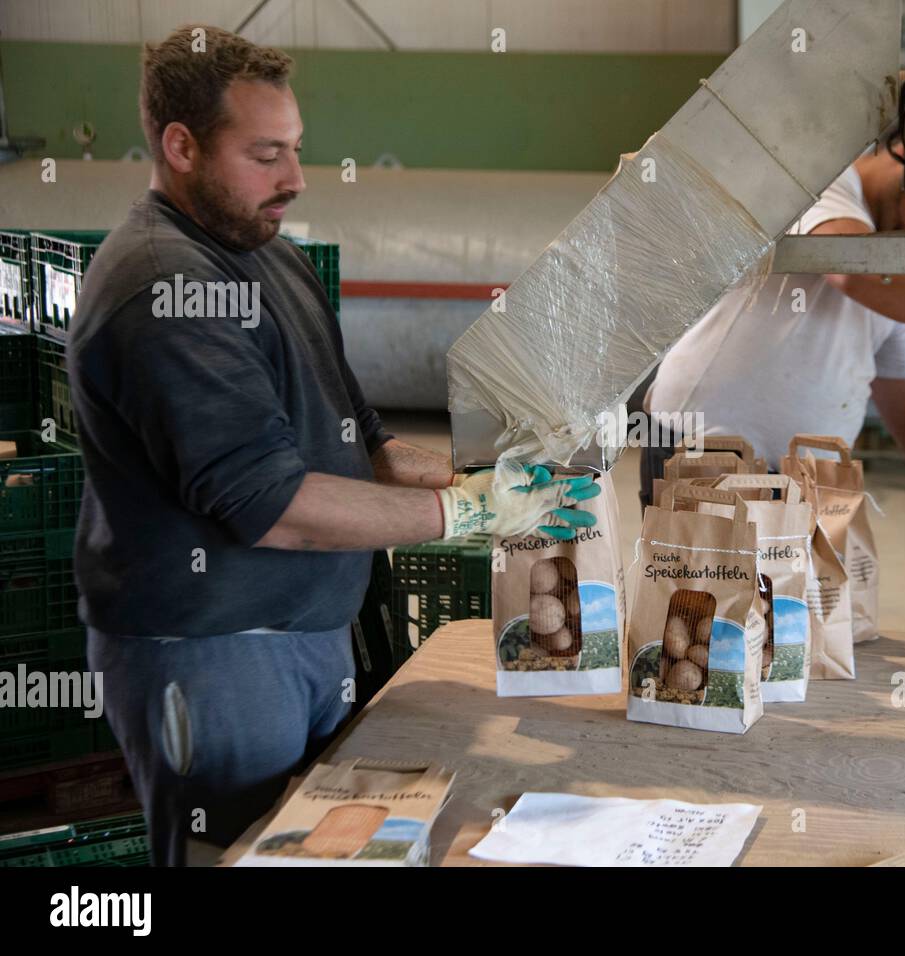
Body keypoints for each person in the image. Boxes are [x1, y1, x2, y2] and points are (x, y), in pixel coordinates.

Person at [68, 25, 595, 866]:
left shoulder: (269, 257)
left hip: (310, 638)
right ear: (181, 146)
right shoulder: (166, 287)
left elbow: (365, 444)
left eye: (298, 149)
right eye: (265, 154)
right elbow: (269, 505)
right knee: (232, 854)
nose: (295, 179)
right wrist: (462, 512)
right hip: (214, 657)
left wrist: (492, 479)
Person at [644, 132, 905, 507]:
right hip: (704, 455)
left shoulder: (889, 288)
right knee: (702, 589)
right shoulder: (824, 185)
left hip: (799, 484)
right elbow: (854, 269)